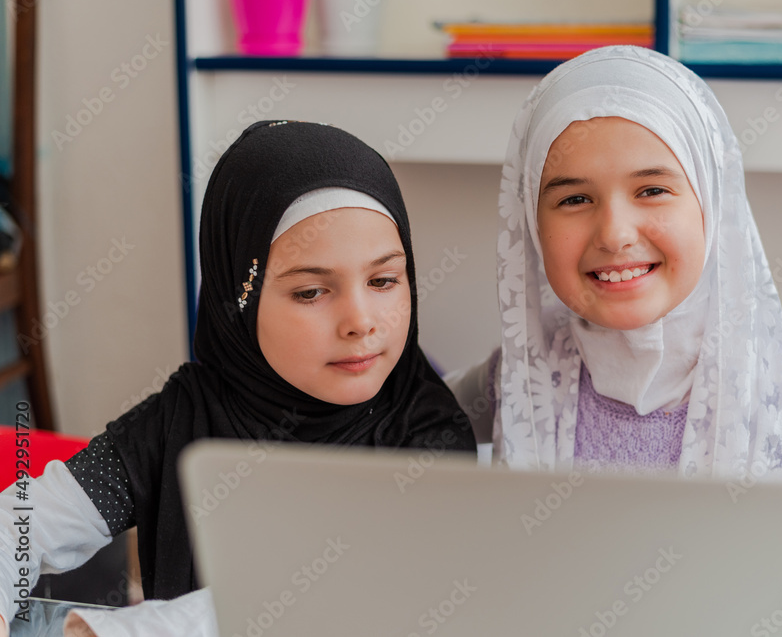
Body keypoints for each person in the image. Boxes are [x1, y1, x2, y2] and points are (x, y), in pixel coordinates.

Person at [0, 121, 476, 634]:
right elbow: (25, 521)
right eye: (311, 292)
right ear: (238, 304)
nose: (360, 321)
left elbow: (325, 596)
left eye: (383, 280)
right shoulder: (180, 417)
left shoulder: (428, 435)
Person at [447, 45, 782, 484]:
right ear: (532, 224)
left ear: (711, 204)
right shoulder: (517, 377)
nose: (615, 234)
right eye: (575, 199)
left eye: (651, 191)